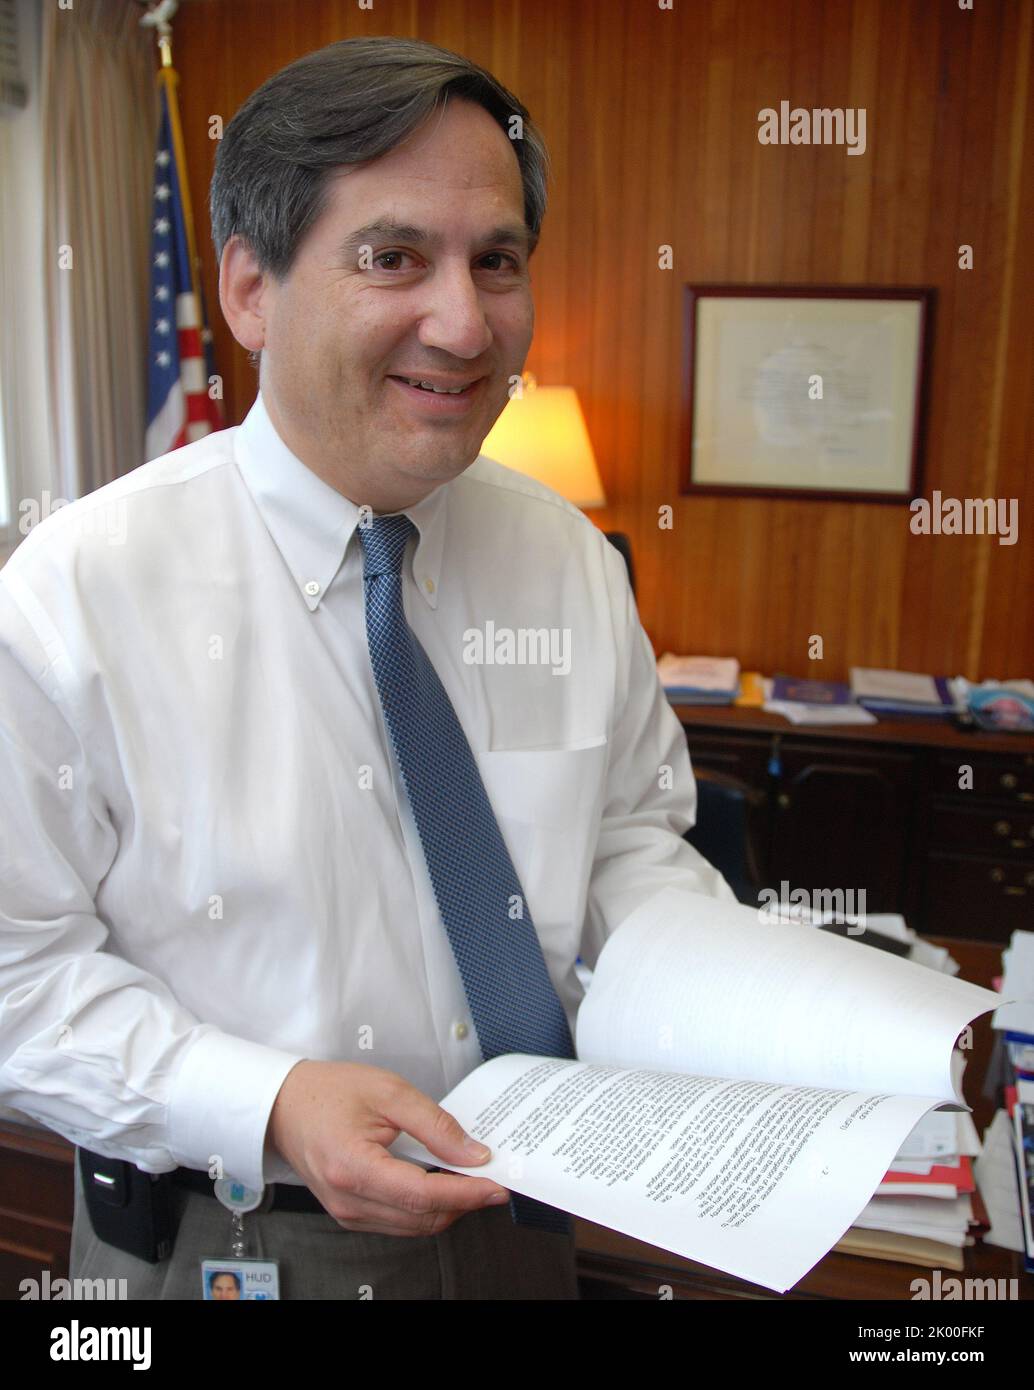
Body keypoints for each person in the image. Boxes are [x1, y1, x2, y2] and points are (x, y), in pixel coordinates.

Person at [0, 35, 733, 1300]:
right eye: (393, 257)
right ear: (249, 293)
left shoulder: (567, 561)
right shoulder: (74, 595)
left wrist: (742, 999)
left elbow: (626, 841)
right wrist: (270, 1100)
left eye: (495, 261)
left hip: (530, 1211)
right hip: (223, 1232)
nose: (463, 322)